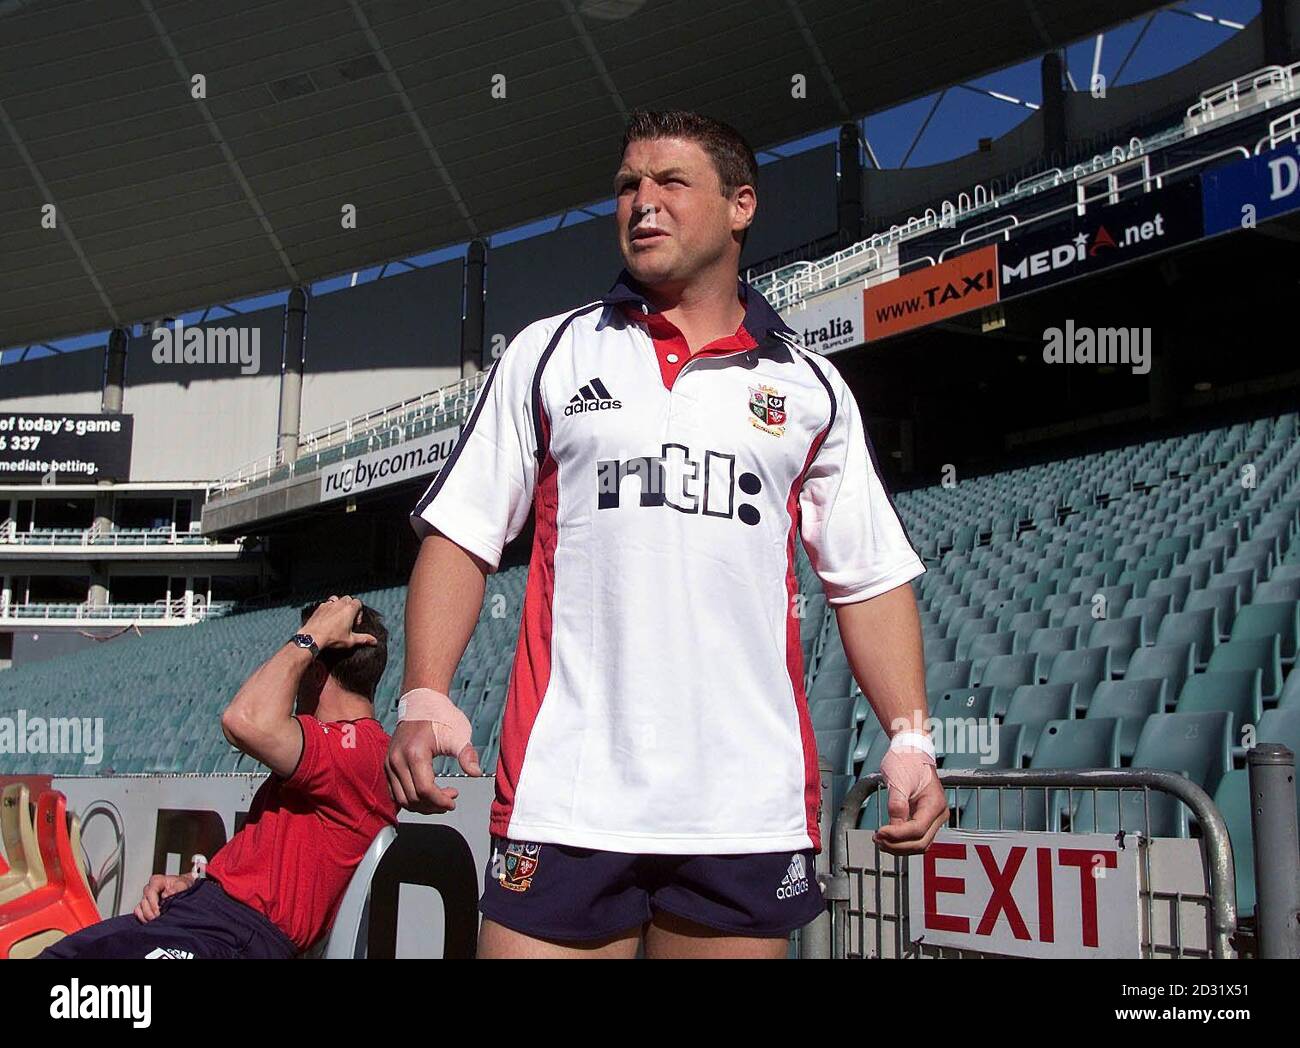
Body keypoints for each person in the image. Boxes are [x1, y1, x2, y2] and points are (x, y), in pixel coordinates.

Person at [387, 109, 947, 959]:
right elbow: (462, 535)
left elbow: (866, 578)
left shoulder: (810, 386)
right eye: (626, 187)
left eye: (671, 183)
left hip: (743, 807)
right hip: (567, 796)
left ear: (740, 206)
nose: (642, 203)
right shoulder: (549, 353)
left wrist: (909, 738)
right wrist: (425, 691)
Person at [40, 596, 397, 959]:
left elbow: (242, 721)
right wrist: (196, 883)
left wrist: (311, 635)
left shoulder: (363, 752)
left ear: (315, 674)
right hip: (200, 915)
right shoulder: (327, 753)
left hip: (235, 936)